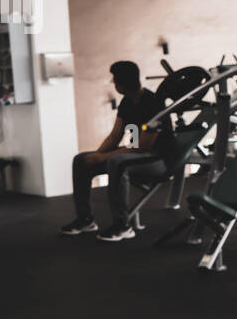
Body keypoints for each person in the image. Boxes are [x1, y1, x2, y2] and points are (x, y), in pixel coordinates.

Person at [60, 60, 174, 241]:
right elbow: (115, 135)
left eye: (115, 79)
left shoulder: (154, 103)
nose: (113, 83)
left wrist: (104, 157)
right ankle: (85, 219)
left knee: (117, 162)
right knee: (81, 160)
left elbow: (143, 145)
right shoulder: (127, 102)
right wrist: (96, 156)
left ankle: (122, 226)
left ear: (122, 83)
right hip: (138, 152)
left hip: (157, 159)